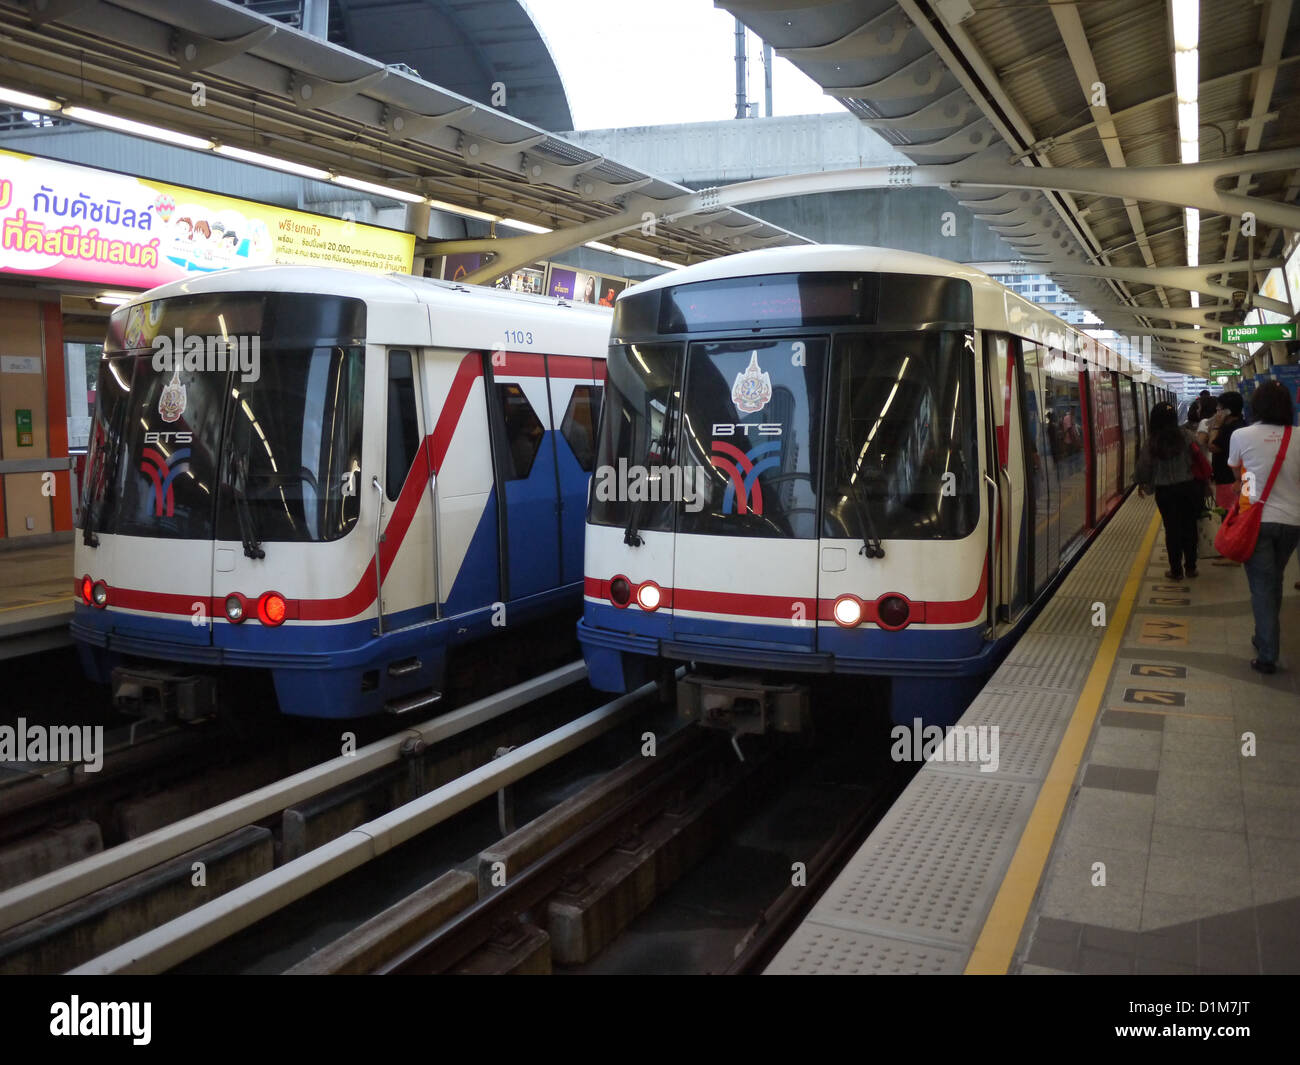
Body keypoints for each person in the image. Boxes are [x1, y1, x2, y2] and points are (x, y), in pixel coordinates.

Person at [1227, 381, 1300, 673]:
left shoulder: (1242, 435)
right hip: (1293, 522)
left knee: (1262, 586)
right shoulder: (1298, 437)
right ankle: (1263, 637)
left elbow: (1238, 471)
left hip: (1255, 521)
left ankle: (1268, 652)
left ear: (1254, 406)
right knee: (1274, 580)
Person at [1135, 401, 1203, 581]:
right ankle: (1191, 567)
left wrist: (1142, 484)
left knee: (1172, 529)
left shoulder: (1152, 441)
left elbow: (1144, 467)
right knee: (1189, 527)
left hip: (1165, 492)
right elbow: (1199, 456)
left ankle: (1176, 570)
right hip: (1188, 487)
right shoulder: (1187, 436)